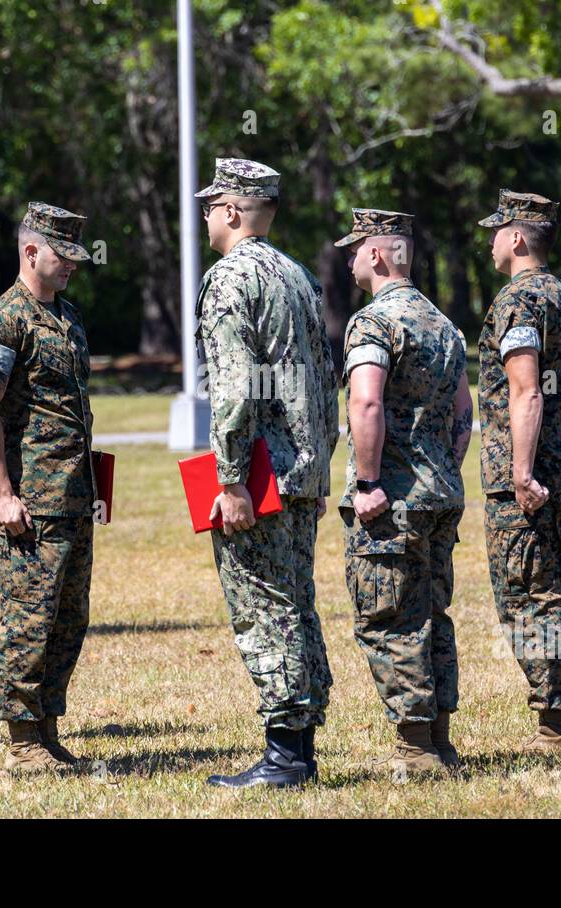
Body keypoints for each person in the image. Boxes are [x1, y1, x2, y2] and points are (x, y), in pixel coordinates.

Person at [195, 157, 338, 788]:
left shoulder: (231, 280)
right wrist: (320, 465)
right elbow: (326, 381)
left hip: (260, 475)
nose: (203, 216)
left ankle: (285, 756)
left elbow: (232, 391)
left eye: (209, 205)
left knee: (264, 606)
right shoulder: (300, 277)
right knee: (296, 602)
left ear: (231, 210)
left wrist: (229, 482)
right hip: (301, 470)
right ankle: (298, 746)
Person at [336, 208, 473, 776]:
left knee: (392, 618)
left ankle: (416, 749)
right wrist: (440, 467)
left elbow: (366, 402)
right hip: (439, 494)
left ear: (376, 255)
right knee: (433, 613)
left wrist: (369, 482)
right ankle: (440, 740)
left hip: (390, 501)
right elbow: (464, 412)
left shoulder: (373, 322)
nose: (348, 260)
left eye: (354, 249)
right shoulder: (444, 324)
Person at [476, 189, 561, 754]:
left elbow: (526, 391)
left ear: (519, 238)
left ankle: (556, 726)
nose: (491, 240)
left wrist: (522, 473)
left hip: (529, 478)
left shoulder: (516, 304)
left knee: (530, 596)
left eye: (498, 230)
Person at [0, 202, 97, 776]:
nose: (71, 265)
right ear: (31, 252)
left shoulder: (68, 317)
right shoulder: (2, 321)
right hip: (31, 501)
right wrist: (2, 492)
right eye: (61, 254)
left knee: (70, 616)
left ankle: (47, 725)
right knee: (29, 616)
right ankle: (22, 737)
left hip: (73, 494)